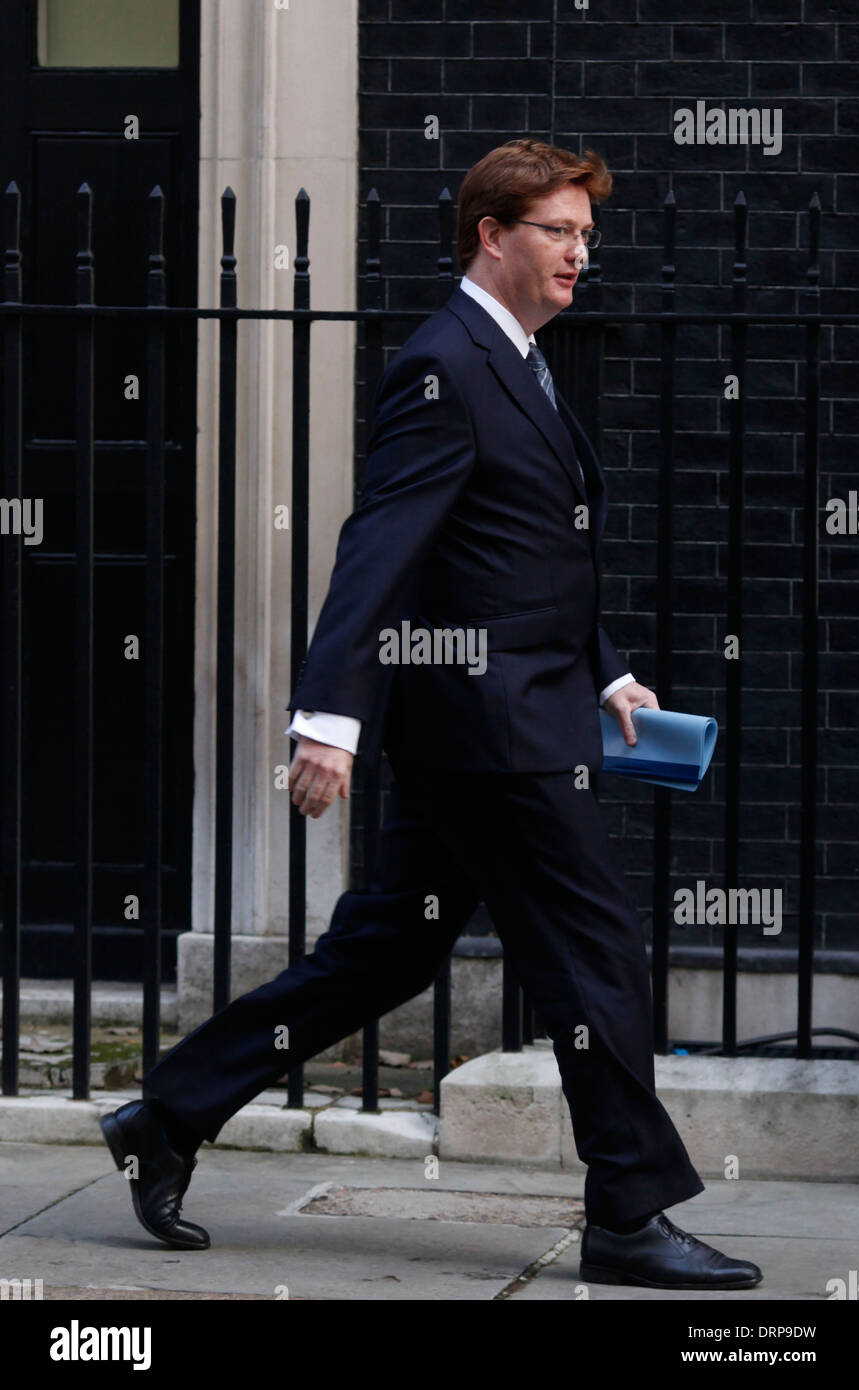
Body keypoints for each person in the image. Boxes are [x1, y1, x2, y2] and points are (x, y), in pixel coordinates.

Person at [101, 138, 761, 1291]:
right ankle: (627, 1207)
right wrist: (327, 719)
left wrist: (606, 672)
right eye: (557, 232)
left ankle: (166, 1112)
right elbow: (381, 550)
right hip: (493, 736)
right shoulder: (443, 365)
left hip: (510, 720)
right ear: (489, 235)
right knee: (595, 953)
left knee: (379, 955)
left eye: (584, 236)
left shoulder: (515, 357)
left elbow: (517, 551)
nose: (578, 255)